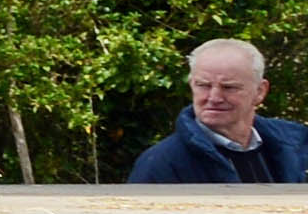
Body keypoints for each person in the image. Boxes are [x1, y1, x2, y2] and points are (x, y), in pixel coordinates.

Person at [128, 39, 307, 185]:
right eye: (203, 85)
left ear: (260, 91)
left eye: (229, 87)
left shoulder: (296, 147)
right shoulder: (162, 164)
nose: (214, 97)